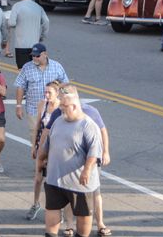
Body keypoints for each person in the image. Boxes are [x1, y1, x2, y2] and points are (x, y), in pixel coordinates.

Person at [37, 88, 113, 237]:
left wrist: (86, 171)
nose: (61, 109)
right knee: (52, 209)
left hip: (79, 183)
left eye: (64, 106)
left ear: (74, 106)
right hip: (55, 179)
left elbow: (93, 152)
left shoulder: (88, 125)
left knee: (83, 215)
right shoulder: (58, 121)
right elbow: (47, 145)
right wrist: (40, 160)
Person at [15, 43, 69, 140]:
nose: (35, 58)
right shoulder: (27, 67)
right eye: (33, 56)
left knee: (53, 136)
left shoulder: (56, 66)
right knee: (35, 137)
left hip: (53, 109)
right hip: (33, 109)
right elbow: (20, 86)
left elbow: (65, 82)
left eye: (37, 56)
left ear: (45, 54)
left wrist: (55, 87)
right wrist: (18, 106)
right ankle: (36, 154)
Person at [27, 80, 62, 221]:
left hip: (56, 147)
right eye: (45, 92)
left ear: (57, 93)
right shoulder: (42, 104)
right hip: (42, 145)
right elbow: (37, 127)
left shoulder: (61, 108)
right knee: (38, 177)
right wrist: (34, 146)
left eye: (49, 92)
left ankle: (60, 209)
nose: (46, 95)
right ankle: (35, 204)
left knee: (55, 180)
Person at [7, 0, 50, 68]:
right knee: (35, 69)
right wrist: (42, 36)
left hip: (21, 44)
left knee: (22, 70)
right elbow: (46, 22)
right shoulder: (38, 7)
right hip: (35, 45)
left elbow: (11, 23)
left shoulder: (17, 6)